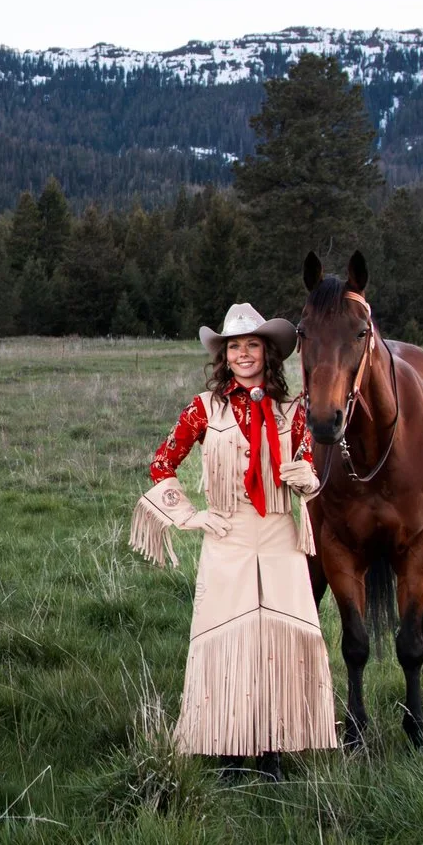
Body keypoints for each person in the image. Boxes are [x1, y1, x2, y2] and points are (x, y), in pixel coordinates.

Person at [129, 302, 337, 776]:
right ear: (224, 355)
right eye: (235, 346)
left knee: (280, 638)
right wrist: (191, 517)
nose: (244, 354)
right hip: (229, 533)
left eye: (253, 346)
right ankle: (227, 747)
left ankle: (274, 749)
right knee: (228, 639)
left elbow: (310, 474)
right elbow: (162, 464)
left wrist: (308, 479)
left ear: (268, 353)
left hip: (282, 532)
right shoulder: (204, 410)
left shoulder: (293, 411)